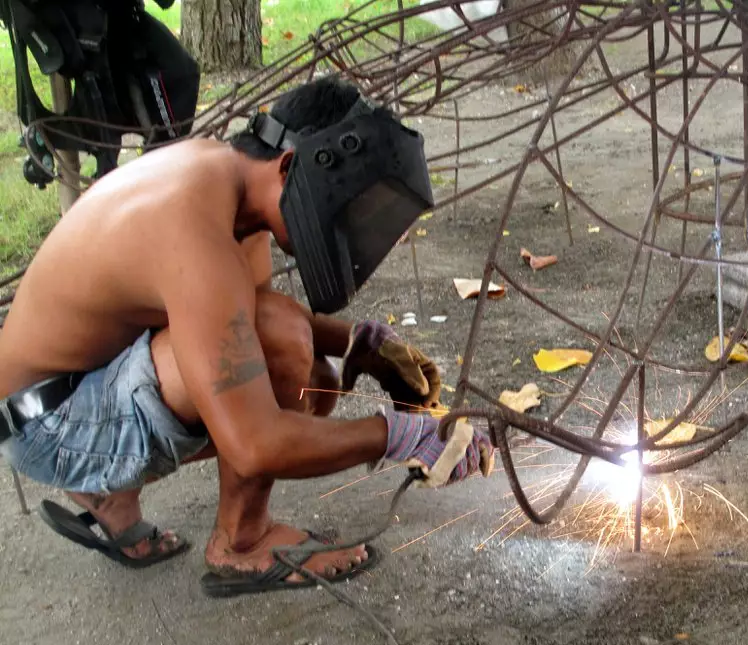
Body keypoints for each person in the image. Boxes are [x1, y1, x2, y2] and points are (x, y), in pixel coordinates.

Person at [0, 76, 494, 597]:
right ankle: (241, 542)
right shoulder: (193, 231)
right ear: (289, 167)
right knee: (282, 352)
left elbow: (247, 316)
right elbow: (256, 437)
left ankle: (110, 496)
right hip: (48, 424)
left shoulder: (223, 181)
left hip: (66, 386)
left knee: (314, 378)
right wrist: (400, 435)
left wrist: (362, 344)